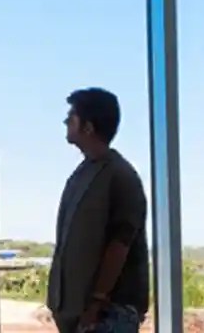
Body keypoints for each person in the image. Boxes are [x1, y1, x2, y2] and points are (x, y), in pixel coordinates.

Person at [47, 88, 148, 333]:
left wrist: (97, 301)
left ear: (88, 127)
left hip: (108, 316)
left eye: (72, 117)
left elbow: (120, 242)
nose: (66, 122)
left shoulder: (120, 175)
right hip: (84, 316)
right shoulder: (83, 174)